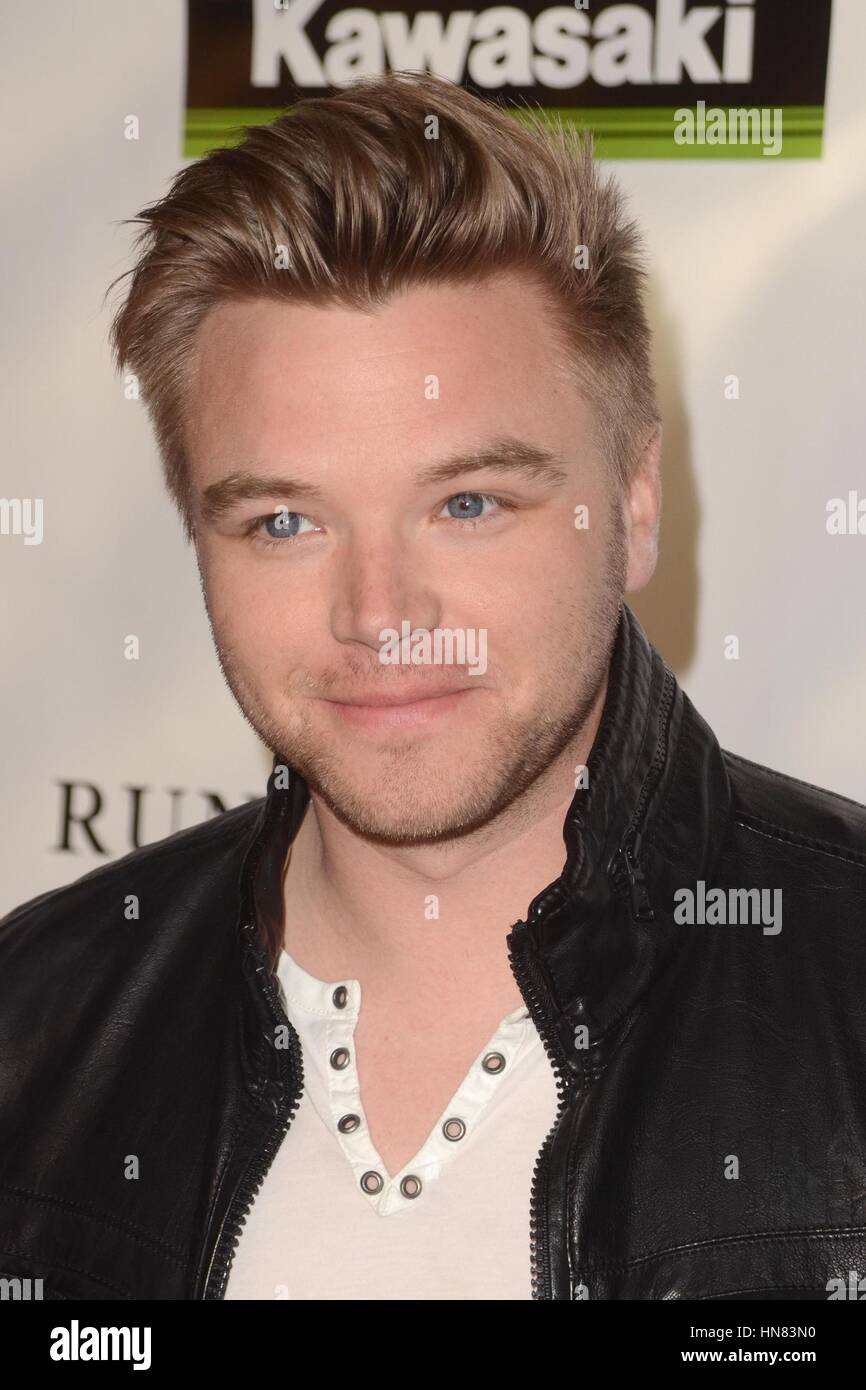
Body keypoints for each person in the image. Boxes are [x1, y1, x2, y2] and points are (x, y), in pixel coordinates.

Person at [1, 71, 864, 1302]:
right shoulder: (37, 1023)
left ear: (632, 506)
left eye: (466, 504)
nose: (379, 616)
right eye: (285, 520)